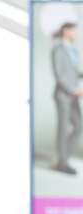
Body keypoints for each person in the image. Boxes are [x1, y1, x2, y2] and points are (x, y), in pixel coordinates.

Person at [53, 22, 83, 175]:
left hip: (74, 95)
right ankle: (62, 163)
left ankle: (65, 157)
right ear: (65, 31)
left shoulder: (73, 50)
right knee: (63, 129)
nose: (75, 33)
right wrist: (74, 91)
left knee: (78, 126)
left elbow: (73, 73)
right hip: (64, 95)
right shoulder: (59, 49)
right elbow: (60, 76)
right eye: (73, 31)